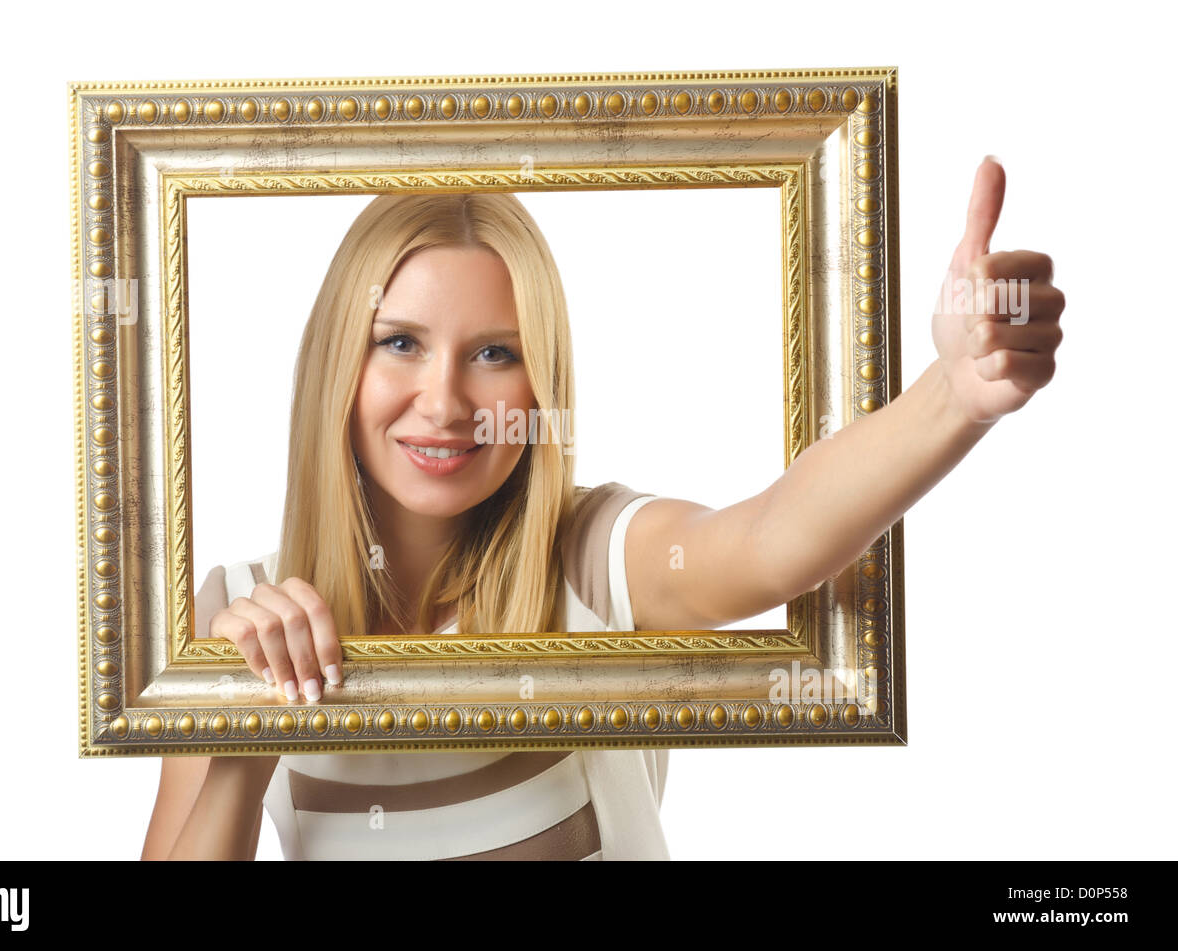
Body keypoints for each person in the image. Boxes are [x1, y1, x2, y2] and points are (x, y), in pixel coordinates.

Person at [141, 156, 1064, 860]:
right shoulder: (240, 605)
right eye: (401, 343)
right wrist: (241, 739)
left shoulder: (591, 556)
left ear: (542, 383)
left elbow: (772, 539)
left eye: (496, 353)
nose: (446, 400)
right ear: (338, 361)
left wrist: (950, 394)